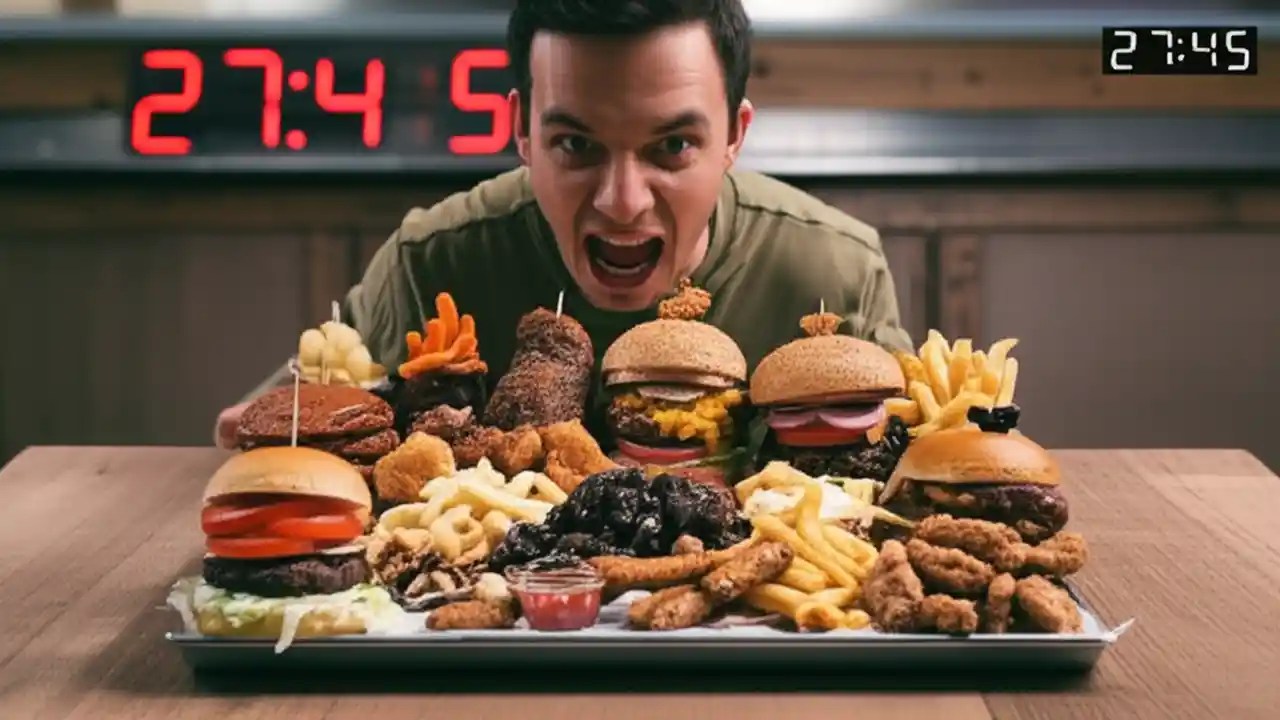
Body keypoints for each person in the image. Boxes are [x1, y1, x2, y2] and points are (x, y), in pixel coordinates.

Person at [215, 0, 913, 449]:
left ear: (735, 133)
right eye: (576, 145)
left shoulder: (834, 272)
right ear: (520, 129)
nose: (621, 201)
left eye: (672, 146)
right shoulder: (432, 264)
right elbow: (270, 436)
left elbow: (912, 463)